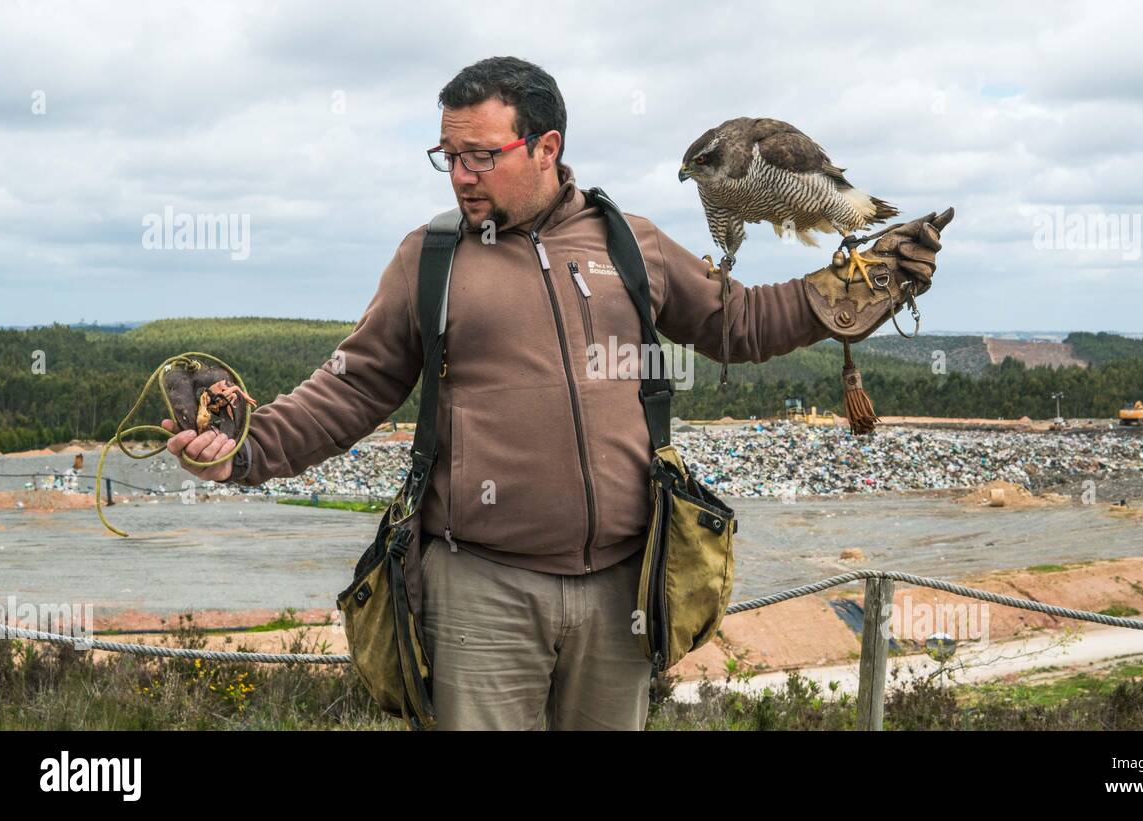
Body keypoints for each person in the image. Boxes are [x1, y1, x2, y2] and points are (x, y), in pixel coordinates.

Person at [161, 56, 947, 730]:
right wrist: (246, 449)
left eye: (480, 154)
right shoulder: (428, 260)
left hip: (622, 592)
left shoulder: (628, 243)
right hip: (480, 593)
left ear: (547, 146)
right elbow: (352, 387)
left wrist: (845, 291)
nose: (461, 174)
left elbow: (735, 322)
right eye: (448, 156)